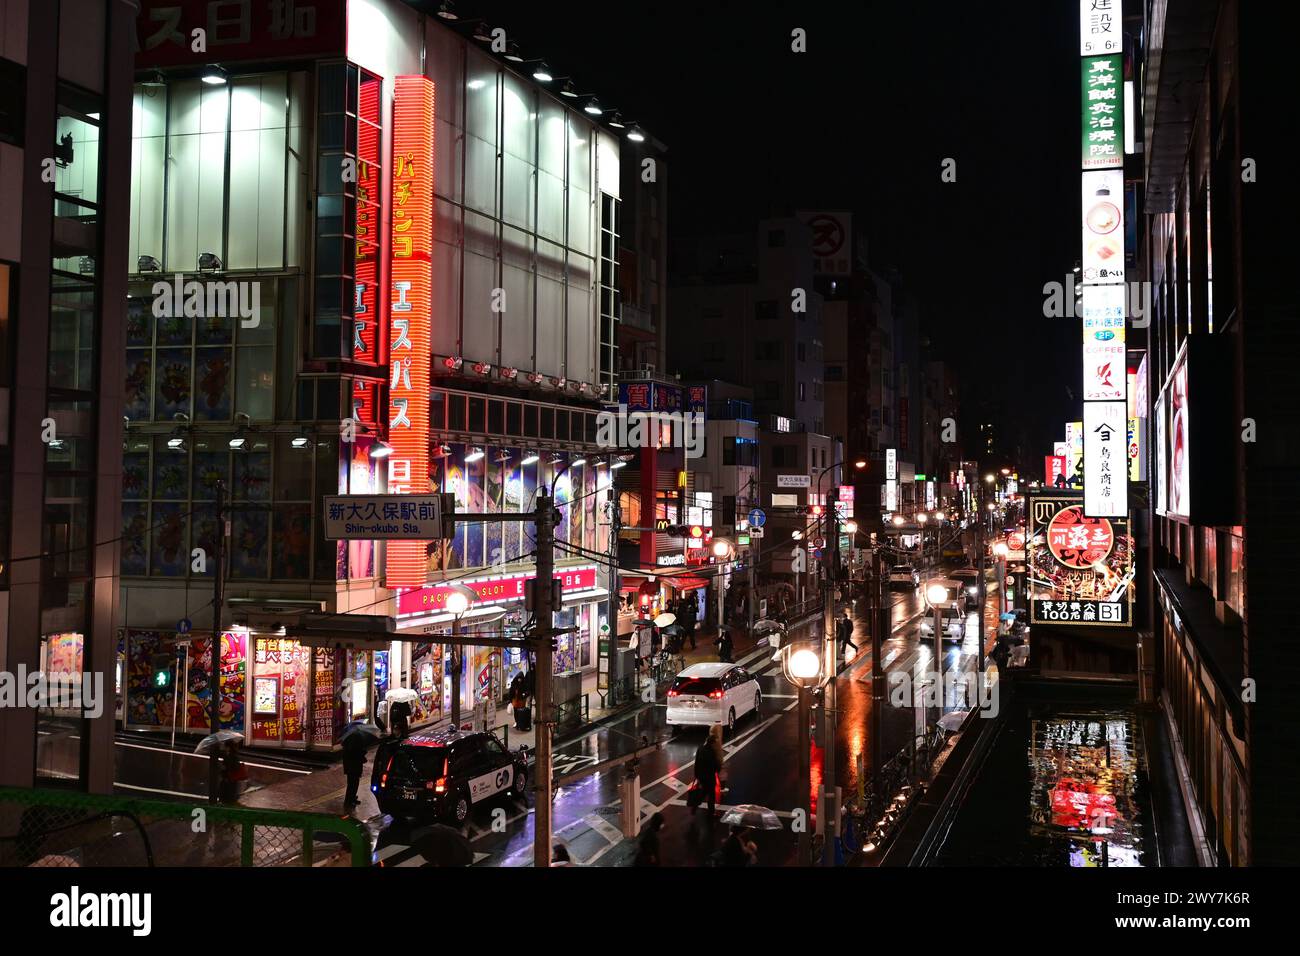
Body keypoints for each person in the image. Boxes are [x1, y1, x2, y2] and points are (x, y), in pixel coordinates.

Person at [691, 733, 721, 816]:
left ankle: (695, 806)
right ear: (712, 743)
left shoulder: (700, 748)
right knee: (711, 795)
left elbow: (696, 763)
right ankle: (711, 812)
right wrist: (718, 768)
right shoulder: (711, 751)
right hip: (709, 777)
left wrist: (696, 775)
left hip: (701, 776)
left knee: (703, 793)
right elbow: (715, 765)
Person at [341, 737, 367, 812]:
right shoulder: (354, 740)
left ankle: (352, 798)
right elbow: (356, 753)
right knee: (353, 783)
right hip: (353, 767)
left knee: (352, 783)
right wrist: (363, 752)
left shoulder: (347, 740)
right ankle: (349, 800)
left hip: (350, 767)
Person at [218, 740, 247, 805]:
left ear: (228, 747)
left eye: (225, 746)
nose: (224, 748)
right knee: (229, 796)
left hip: (229, 780)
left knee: (227, 796)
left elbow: (232, 767)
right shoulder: (231, 755)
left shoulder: (231, 756)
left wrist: (224, 767)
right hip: (230, 780)